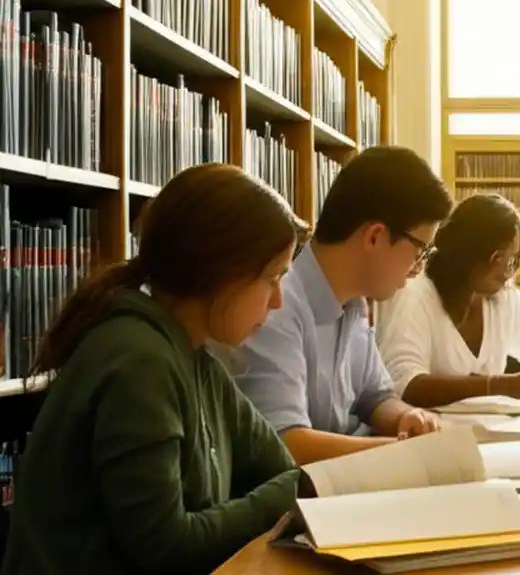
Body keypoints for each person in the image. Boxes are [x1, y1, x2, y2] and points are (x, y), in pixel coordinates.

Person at [1, 165, 306, 575]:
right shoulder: (138, 363)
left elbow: (279, 469)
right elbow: (167, 549)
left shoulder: (197, 361)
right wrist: (286, 495)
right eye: (273, 278)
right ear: (219, 272)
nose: (278, 302)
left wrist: (286, 489)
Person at [231, 146, 452, 466]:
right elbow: (286, 445)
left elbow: (374, 397)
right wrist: (405, 455)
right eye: (419, 250)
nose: (418, 266)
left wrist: (408, 417)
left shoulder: (354, 303)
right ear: (375, 236)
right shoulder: (275, 305)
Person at [376, 193, 520, 407]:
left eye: (516, 261)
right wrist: (501, 386)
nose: (509, 273)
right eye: (501, 258)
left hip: (492, 432)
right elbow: (405, 386)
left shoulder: (504, 299)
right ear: (471, 252)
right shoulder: (414, 294)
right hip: (429, 433)